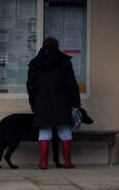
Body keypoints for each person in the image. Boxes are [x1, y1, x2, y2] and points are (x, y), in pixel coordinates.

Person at [26, 36, 81, 170]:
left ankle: (43, 162)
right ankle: (68, 161)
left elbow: (30, 85)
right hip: (62, 101)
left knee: (44, 131)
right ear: (57, 46)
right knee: (65, 131)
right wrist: (75, 103)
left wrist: (33, 102)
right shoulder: (64, 61)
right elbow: (71, 85)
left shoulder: (35, 63)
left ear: (43, 46)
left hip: (42, 102)